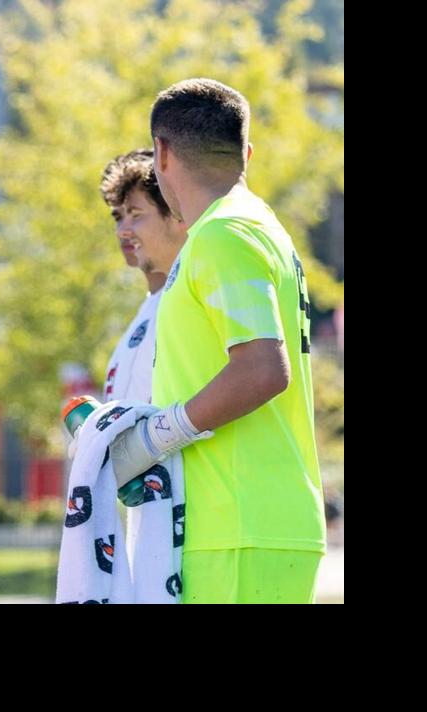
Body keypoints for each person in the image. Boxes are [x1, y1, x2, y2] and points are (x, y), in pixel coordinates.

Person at [106, 78, 325, 603]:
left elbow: (262, 369)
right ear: (246, 153)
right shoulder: (257, 226)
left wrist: (155, 437)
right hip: (241, 524)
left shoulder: (222, 233)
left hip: (235, 524)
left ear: (161, 152)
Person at [97, 149, 187, 404]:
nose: (123, 231)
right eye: (118, 217)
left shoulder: (196, 296)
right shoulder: (147, 310)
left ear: (176, 215)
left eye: (135, 215)